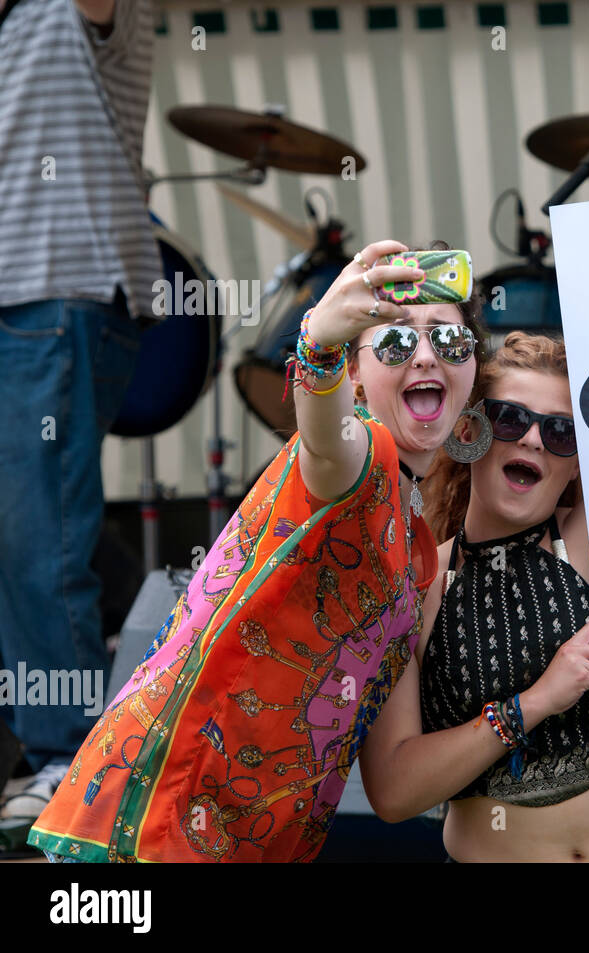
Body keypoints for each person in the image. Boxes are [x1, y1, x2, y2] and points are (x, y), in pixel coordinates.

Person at [28, 240, 481, 861]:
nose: (426, 355)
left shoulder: (414, 534)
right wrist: (318, 344)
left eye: (451, 342)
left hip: (252, 835)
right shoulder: (361, 455)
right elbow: (326, 438)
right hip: (163, 819)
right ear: (354, 373)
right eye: (397, 342)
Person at [359, 331, 589, 862]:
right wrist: (534, 703)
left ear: (579, 462)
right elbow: (393, 792)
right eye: (510, 418)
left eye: (559, 432)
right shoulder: (416, 590)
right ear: (469, 432)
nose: (531, 439)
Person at [0, 0, 159, 820]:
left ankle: (68, 756)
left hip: (56, 284)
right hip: (22, 289)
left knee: (37, 532)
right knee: (32, 524)